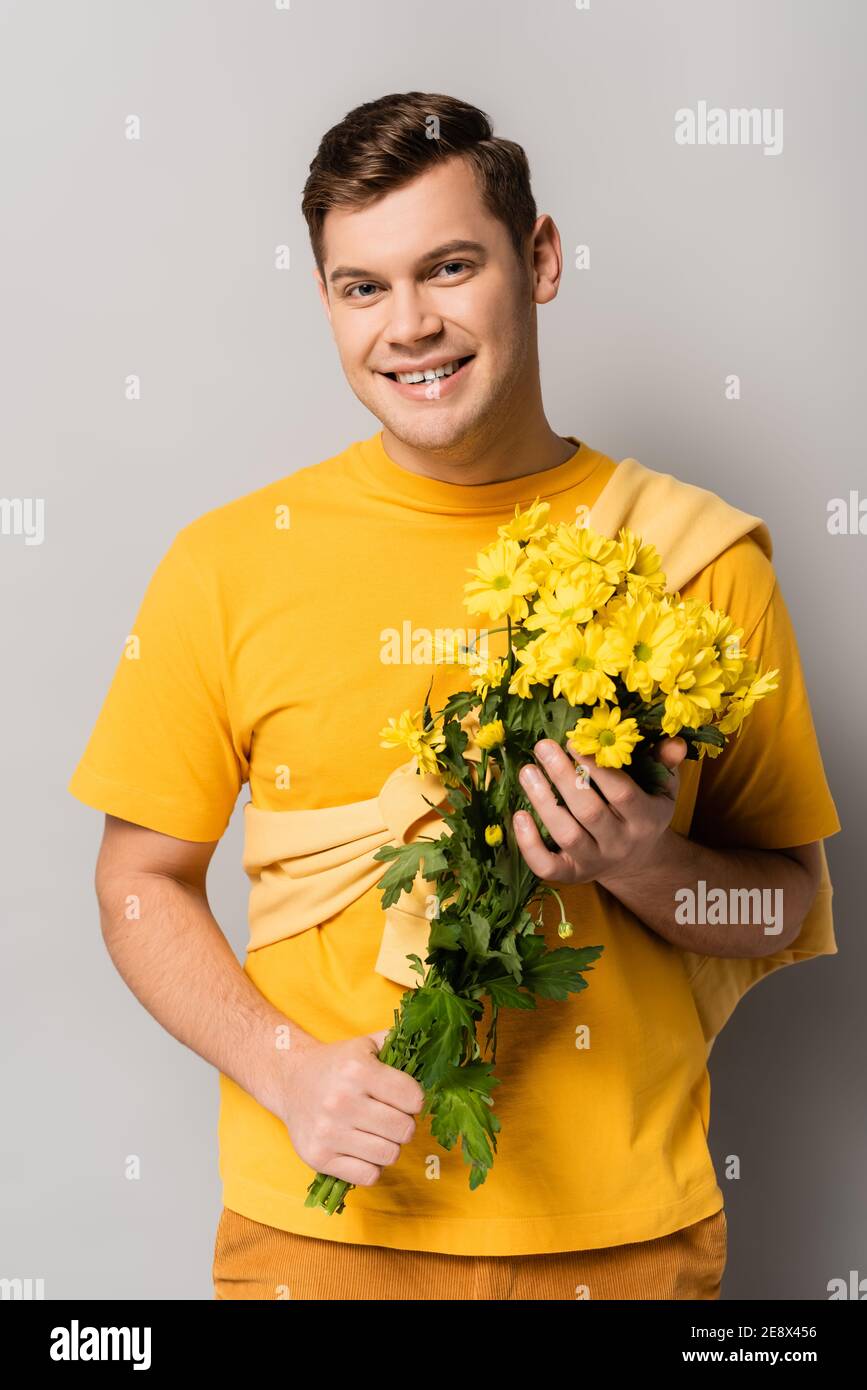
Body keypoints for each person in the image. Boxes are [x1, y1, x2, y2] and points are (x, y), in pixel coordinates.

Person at [68, 91, 840, 1301]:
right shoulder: (228, 561)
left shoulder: (698, 563)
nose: (410, 325)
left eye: (449, 267)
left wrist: (639, 860)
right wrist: (285, 1070)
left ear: (538, 260)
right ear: (324, 300)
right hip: (318, 1239)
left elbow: (783, 913)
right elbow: (134, 882)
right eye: (361, 287)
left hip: (627, 1241)